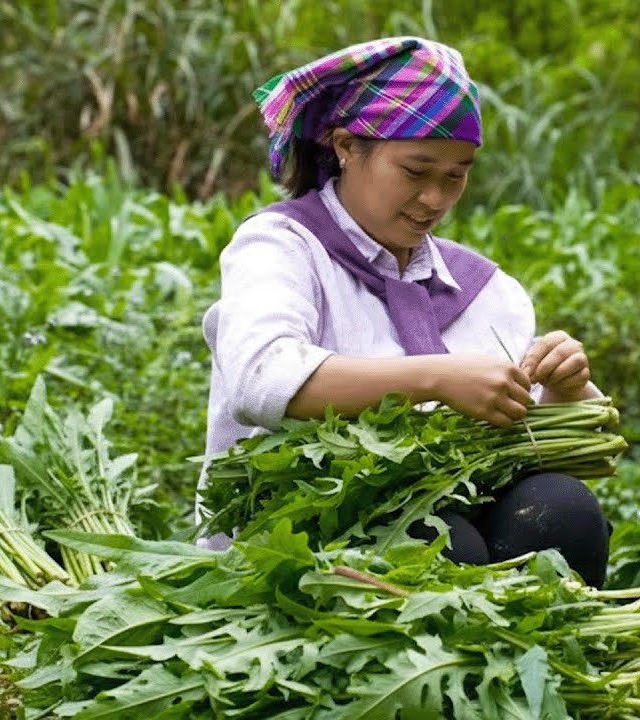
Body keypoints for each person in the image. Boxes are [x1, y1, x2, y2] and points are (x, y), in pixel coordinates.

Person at [199, 37, 611, 587]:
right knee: (438, 543)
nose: (436, 199)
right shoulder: (283, 247)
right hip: (297, 530)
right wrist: (436, 379)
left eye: (456, 175)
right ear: (347, 146)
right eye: (416, 172)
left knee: (565, 512)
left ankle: (541, 662)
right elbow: (262, 379)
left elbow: (523, 445)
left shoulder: (488, 291)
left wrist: (562, 389)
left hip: (452, 507)